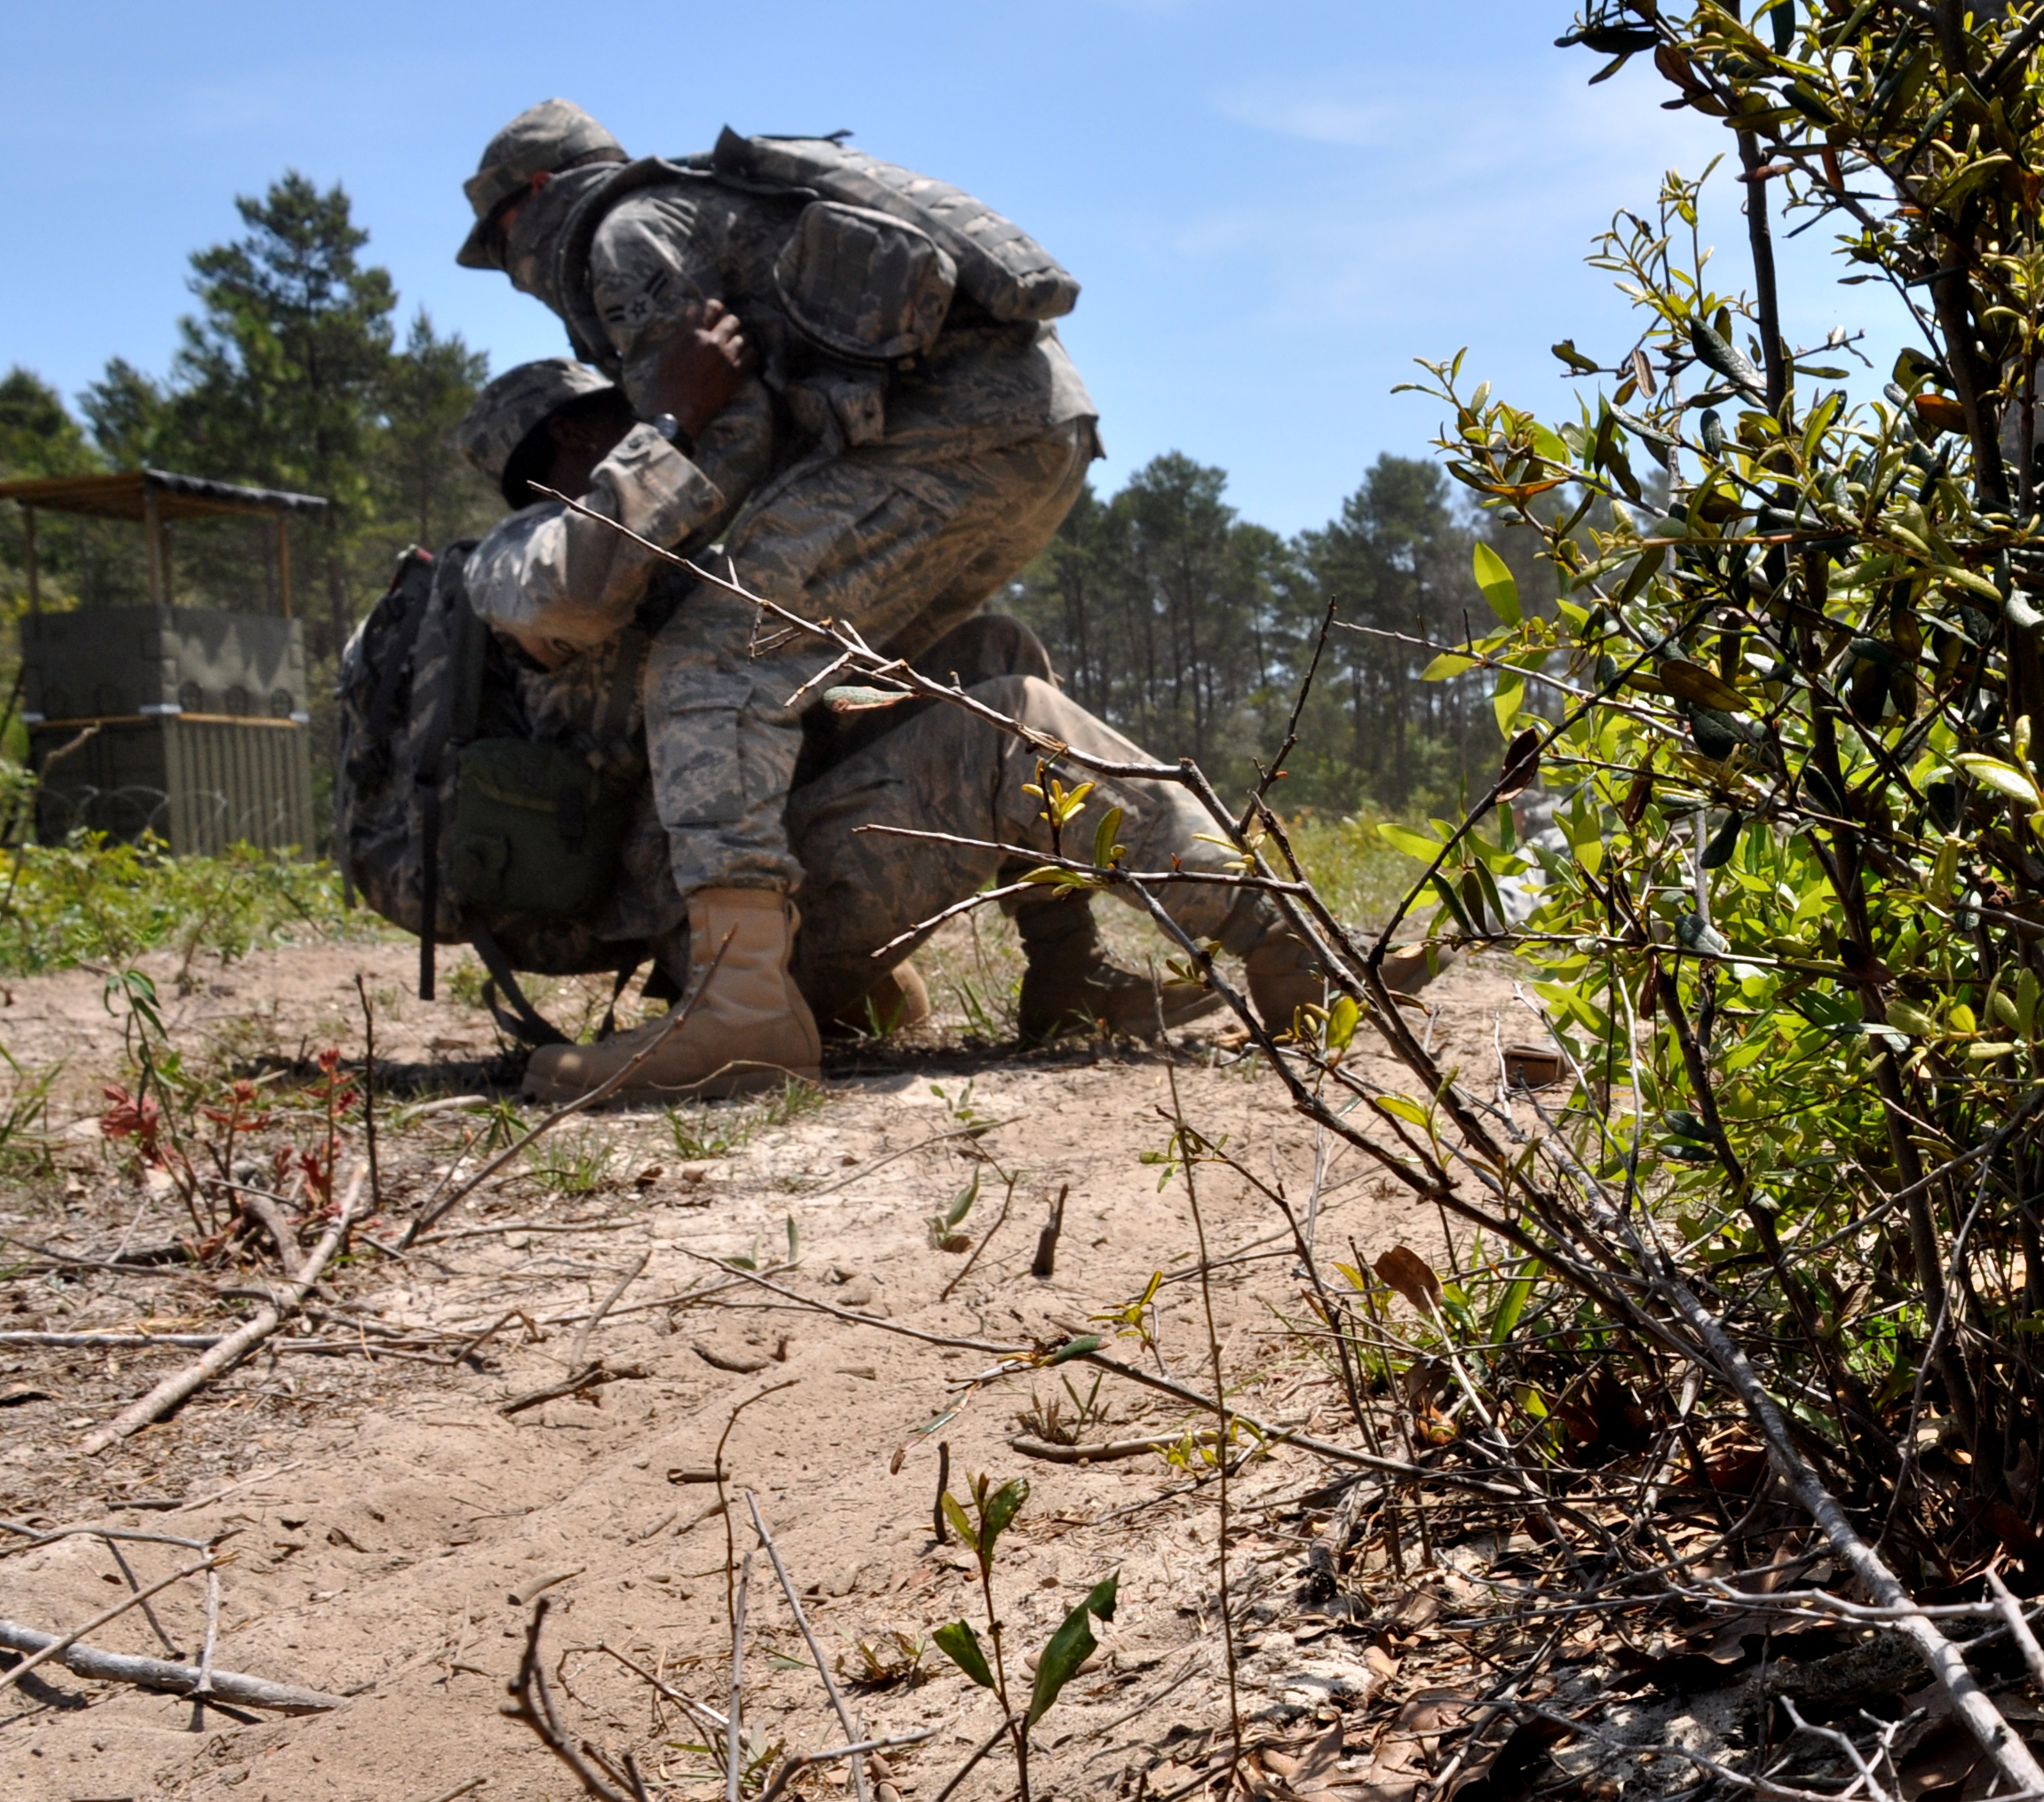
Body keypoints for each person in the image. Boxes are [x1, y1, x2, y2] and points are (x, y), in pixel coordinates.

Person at [454, 99, 1408, 1100]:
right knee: (962, 663)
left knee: (719, 656)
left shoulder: (625, 235)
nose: (516, 270)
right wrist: (675, 432)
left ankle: (746, 1009)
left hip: (951, 434)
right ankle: (1105, 962)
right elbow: (616, 553)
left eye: (504, 241)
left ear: (533, 202)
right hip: (1026, 423)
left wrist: (668, 415)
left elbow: (722, 436)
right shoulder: (531, 539)